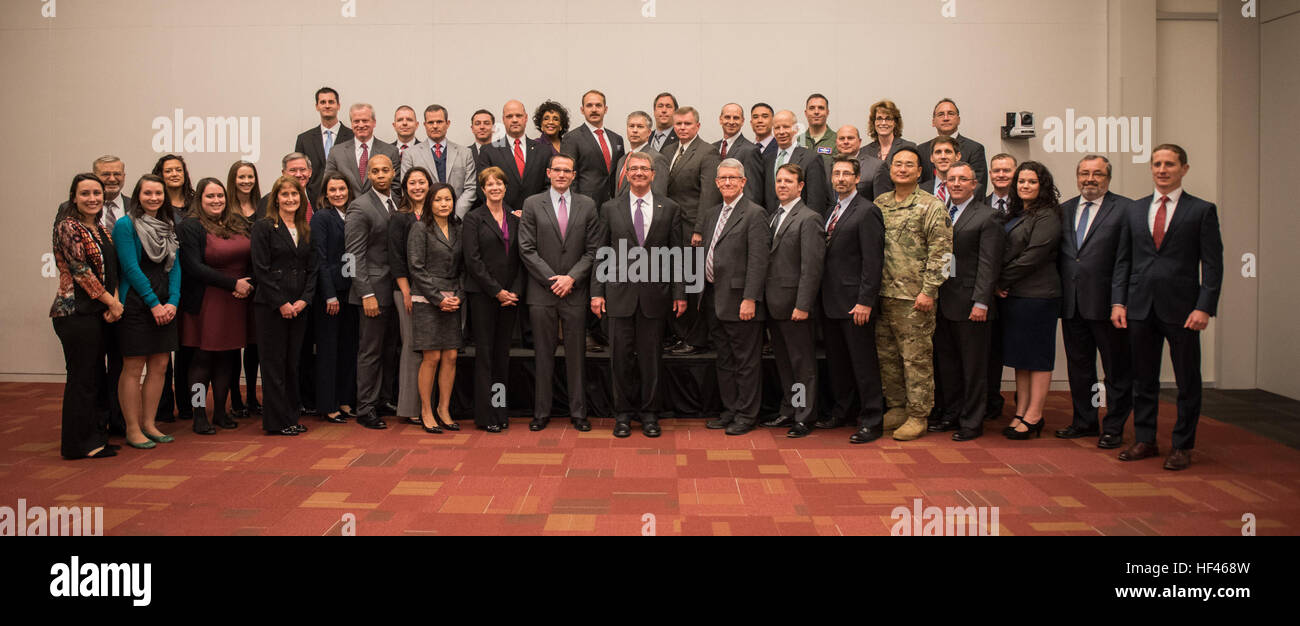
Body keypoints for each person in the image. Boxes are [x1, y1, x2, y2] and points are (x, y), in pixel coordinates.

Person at [1112, 144, 1223, 471]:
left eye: (1170, 164)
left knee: (1187, 379)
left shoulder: (1201, 211)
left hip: (1183, 310)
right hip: (1139, 307)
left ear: (1183, 169)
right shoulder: (1134, 210)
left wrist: (1204, 307)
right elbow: (1123, 261)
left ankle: (1182, 445)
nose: (1162, 170)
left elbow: (1213, 266)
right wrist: (1118, 301)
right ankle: (1145, 439)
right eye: (1157, 164)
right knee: (1142, 378)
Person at [590, 151, 685, 438]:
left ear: (653, 174)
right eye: (634, 169)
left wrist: (680, 294)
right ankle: (622, 414)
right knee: (619, 359)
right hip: (618, 295)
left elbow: (677, 255)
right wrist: (597, 293)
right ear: (627, 174)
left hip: (655, 297)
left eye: (645, 169)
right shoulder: (609, 208)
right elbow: (600, 253)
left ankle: (649, 414)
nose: (640, 173)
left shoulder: (669, 208)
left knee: (651, 359)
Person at [873, 147, 952, 441]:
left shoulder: (932, 206)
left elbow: (943, 255)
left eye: (909, 165)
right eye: (898, 164)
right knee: (888, 357)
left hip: (915, 299)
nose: (902, 169)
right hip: (884, 295)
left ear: (920, 171)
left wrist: (929, 290)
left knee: (915, 358)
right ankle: (897, 407)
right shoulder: (880, 203)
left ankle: (919, 414)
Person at [518, 154, 601, 432]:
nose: (562, 175)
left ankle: (578, 413)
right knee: (543, 355)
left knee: (577, 356)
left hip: (575, 292)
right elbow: (526, 249)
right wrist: (554, 279)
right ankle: (542, 412)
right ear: (548, 172)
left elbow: (593, 250)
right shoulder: (532, 204)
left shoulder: (587, 205)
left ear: (574, 175)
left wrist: (572, 278)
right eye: (557, 170)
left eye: (567, 171)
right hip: (542, 292)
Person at [1056, 155, 1133, 450]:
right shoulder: (1065, 210)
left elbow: (1127, 261)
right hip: (1073, 304)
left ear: (1108, 178)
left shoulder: (1125, 210)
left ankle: (1113, 426)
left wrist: (1120, 301)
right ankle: (1084, 420)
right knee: (1080, 367)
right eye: (1084, 173)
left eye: (1097, 174)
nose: (1090, 179)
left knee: (1116, 370)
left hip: (1108, 306)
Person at [928, 162, 1003, 441]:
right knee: (948, 365)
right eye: (951, 179)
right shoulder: (942, 211)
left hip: (972, 304)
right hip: (944, 301)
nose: (956, 183)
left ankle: (972, 421)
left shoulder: (988, 216)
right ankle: (951, 414)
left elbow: (989, 264)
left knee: (973, 368)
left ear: (975, 184)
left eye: (963, 179)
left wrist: (981, 302)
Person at [51, 173, 123, 459]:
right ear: (74, 198)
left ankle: (96, 437)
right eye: (85, 194)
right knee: (81, 379)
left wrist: (113, 301)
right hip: (74, 313)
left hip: (98, 312)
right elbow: (81, 271)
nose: (92, 198)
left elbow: (111, 271)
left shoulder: (101, 229)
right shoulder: (68, 226)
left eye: (97, 193)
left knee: (96, 376)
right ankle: (76, 444)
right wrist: (111, 303)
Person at [696, 159, 770, 435]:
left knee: (746, 362)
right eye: (723, 178)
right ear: (716, 183)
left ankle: (747, 414)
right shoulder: (713, 213)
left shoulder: (754, 214)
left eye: (733, 178)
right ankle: (730, 410)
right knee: (724, 359)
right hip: (715, 297)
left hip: (741, 301)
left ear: (743, 182)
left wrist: (750, 298)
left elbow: (759, 262)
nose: (727, 182)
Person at [818, 156, 886, 444]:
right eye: (837, 173)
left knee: (863, 363)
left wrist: (866, 301)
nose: (841, 178)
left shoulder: (867, 211)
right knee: (838, 363)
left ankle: (872, 419)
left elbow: (873, 262)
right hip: (831, 301)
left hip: (856, 304)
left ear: (858, 178)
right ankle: (842, 411)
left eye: (847, 174)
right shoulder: (830, 210)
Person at [178, 178, 252, 435]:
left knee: (228, 359)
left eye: (220, 195)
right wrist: (233, 283)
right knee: (202, 360)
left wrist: (245, 285)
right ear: (200, 199)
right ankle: (199, 413)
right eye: (210, 196)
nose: (217, 200)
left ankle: (220, 411)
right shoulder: (190, 226)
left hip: (236, 301)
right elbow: (193, 266)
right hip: (208, 300)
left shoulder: (236, 222)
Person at [114, 174, 181, 449]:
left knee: (160, 365)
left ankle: (150, 423)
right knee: (133, 367)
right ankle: (132, 428)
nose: (154, 198)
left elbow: (175, 265)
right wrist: (153, 303)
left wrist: (173, 301)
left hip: (166, 303)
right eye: (147, 193)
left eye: (158, 193)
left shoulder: (167, 224)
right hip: (138, 303)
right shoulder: (125, 225)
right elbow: (130, 268)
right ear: (138, 196)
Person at [997, 161, 1063, 440]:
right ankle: (1021, 410)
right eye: (1021, 181)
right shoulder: (1016, 212)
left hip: (1039, 296)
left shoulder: (1047, 215)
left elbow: (1033, 256)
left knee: (1037, 358)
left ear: (1042, 185)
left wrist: (1000, 280)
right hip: (1016, 297)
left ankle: (1034, 415)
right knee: (1020, 358)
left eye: (1032, 182)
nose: (1025, 186)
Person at [250, 176, 318, 436]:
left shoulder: (305, 227)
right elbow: (261, 269)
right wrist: (281, 303)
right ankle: (276, 421)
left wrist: (303, 300)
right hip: (271, 308)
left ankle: (291, 416)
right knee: (273, 365)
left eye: (295, 195)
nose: (290, 199)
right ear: (275, 198)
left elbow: (313, 269)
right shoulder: (264, 227)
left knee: (292, 364)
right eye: (285, 194)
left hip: (299, 306)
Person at [761, 164, 826, 438]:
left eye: (789, 181)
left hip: (795, 307)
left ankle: (804, 414)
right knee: (785, 364)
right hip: (774, 305)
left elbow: (812, 268)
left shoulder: (808, 218)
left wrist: (803, 305)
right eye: (779, 180)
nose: (782, 185)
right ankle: (789, 409)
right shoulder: (774, 215)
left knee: (802, 365)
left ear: (801, 186)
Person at [463, 167, 523, 433]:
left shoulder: (516, 218)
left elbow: (523, 257)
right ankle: (485, 414)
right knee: (485, 356)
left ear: (505, 187)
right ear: (483, 189)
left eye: (499, 183)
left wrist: (514, 292)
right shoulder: (473, 219)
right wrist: (496, 291)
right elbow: (472, 260)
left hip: (511, 297)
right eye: (490, 184)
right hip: (484, 296)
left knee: (502, 357)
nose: (495, 187)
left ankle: (500, 410)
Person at [660, 106, 722, 357]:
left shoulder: (707, 152)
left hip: (693, 230)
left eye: (687, 124)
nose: (682, 128)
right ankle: (679, 334)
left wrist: (699, 230)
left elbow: (709, 195)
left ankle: (696, 339)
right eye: (678, 124)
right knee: (675, 283)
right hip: (670, 229)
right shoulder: (667, 151)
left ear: (697, 125)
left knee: (693, 286)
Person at [345, 155, 401, 430]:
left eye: (385, 170)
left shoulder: (398, 201)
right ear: (368, 174)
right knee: (371, 351)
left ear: (393, 172)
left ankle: (383, 399)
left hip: (395, 290)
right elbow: (353, 257)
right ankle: (365, 407)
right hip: (373, 293)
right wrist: (366, 293)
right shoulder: (360, 206)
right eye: (375, 171)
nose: (380, 175)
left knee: (390, 349)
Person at [408, 182, 465, 434]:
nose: (444, 204)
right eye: (438, 199)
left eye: (448, 199)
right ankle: (426, 410)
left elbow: (465, 267)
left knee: (451, 356)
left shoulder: (458, 228)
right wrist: (437, 298)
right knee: (431, 357)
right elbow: (416, 268)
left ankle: (444, 409)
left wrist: (458, 296)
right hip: (427, 299)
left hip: (453, 299)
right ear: (430, 203)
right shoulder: (420, 228)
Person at [388, 167, 435, 425]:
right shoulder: (399, 218)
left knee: (429, 350)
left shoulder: (436, 214)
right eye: (412, 183)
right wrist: (406, 292)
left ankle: (428, 405)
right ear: (405, 188)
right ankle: (410, 407)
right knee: (412, 347)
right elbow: (395, 259)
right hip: (406, 291)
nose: (418, 187)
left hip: (432, 291)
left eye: (422, 182)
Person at [311, 174, 359, 423]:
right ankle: (328, 404)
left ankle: (345, 400)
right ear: (325, 193)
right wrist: (329, 294)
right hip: (330, 295)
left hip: (351, 292)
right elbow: (319, 258)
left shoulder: (352, 214)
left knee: (348, 349)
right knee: (329, 350)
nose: (338, 193)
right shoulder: (322, 217)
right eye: (333, 189)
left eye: (342, 188)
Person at [150, 155, 193, 422]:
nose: (174, 174)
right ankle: (163, 408)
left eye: (178, 169)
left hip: (193, 282)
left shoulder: (195, 201)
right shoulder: (153, 204)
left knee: (188, 351)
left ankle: (189, 405)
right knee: (162, 352)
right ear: (160, 174)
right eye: (169, 170)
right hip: (164, 284)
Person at [226, 160, 263, 416]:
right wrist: (237, 282)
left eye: (250, 176)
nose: (246, 181)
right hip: (232, 286)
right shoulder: (225, 209)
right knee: (231, 345)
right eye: (241, 177)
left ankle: (252, 397)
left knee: (254, 345)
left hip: (257, 283)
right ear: (233, 179)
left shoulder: (263, 207)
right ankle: (235, 399)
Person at [984, 153, 1017, 422]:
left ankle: (1023, 406)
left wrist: (1002, 282)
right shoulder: (981, 204)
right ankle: (990, 400)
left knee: (1021, 351)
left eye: (1006, 170)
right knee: (989, 349)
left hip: (1017, 289)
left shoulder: (1027, 205)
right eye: (996, 170)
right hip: (986, 290)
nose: (1001, 175)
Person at [401, 105, 477, 217]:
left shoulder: (465, 153)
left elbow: (471, 188)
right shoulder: (410, 154)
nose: (435, 126)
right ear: (425, 125)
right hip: (423, 218)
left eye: (439, 122)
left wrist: (455, 214)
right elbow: (406, 188)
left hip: (456, 218)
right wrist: (424, 214)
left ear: (448, 123)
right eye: (431, 122)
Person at [479, 100, 548, 210]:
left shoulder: (544, 151)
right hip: (501, 218)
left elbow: (549, 186)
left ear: (525, 118)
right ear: (503, 120)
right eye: (509, 116)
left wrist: (533, 210)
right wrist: (509, 212)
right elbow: (482, 188)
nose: (514, 120)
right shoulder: (488, 151)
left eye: (519, 115)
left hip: (537, 216)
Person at [324, 103, 401, 199]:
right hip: (346, 210)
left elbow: (395, 188)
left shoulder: (390, 152)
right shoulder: (336, 152)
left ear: (374, 122)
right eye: (356, 121)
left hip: (379, 211)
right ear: (351, 124)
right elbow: (328, 185)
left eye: (365, 121)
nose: (360, 125)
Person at [562, 90, 624, 207]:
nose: (594, 109)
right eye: (589, 105)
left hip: (614, 204)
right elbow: (569, 175)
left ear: (605, 109)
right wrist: (575, 204)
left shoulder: (617, 139)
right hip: (585, 204)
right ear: (582, 110)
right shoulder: (572, 138)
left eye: (598, 105)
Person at [759, 111, 829, 214]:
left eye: (786, 127)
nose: (781, 132)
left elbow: (816, 202)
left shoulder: (811, 158)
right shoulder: (766, 159)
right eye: (777, 128)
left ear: (796, 129)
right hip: (771, 223)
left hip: (800, 224)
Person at [294, 86, 354, 202]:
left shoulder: (352, 137)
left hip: (346, 199)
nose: (327, 105)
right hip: (313, 200)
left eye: (331, 102)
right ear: (317, 106)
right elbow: (299, 170)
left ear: (338, 105)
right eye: (323, 102)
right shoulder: (304, 139)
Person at [917, 98, 988, 195]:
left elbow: (978, 187)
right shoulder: (921, 149)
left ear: (958, 120)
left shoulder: (974, 149)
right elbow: (917, 183)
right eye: (941, 114)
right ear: (933, 122)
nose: (946, 118)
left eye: (950, 113)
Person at [864, 100, 917, 196]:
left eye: (888, 119)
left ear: (895, 123)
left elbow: (916, 180)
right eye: (879, 118)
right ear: (874, 123)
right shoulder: (864, 152)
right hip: (871, 205)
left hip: (902, 202)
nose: (883, 123)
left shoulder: (909, 147)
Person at [614, 111, 670, 198]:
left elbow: (659, 196)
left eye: (640, 127)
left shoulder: (657, 159)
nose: (635, 130)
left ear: (649, 132)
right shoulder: (622, 160)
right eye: (631, 126)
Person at [832, 125, 884, 201]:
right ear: (836, 142)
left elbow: (882, 203)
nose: (846, 142)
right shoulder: (828, 165)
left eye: (850, 138)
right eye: (842, 138)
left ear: (859, 142)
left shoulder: (877, 166)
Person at [797, 93, 836, 174]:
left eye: (821, 108)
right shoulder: (800, 140)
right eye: (812, 108)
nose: (816, 112)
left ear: (827, 112)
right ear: (806, 113)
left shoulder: (837, 139)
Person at [919, 136, 961, 203]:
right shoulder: (920, 190)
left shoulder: (969, 189)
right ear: (932, 158)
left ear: (957, 156)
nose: (943, 156)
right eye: (938, 152)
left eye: (948, 152)